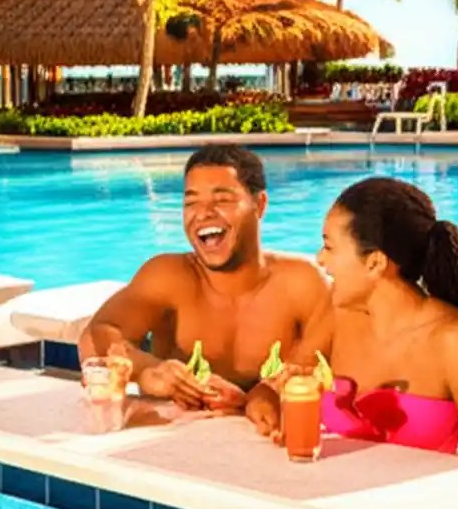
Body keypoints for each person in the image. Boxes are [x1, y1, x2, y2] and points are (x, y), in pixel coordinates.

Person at [246, 176, 458, 469]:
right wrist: (268, 403)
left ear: (375, 262)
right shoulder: (338, 316)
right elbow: (271, 386)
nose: (320, 259)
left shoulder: (454, 340)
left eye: (329, 246)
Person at [77, 145, 333, 413]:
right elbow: (98, 334)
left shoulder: (301, 284)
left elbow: (328, 378)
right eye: (191, 203)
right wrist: (147, 370)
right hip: (171, 442)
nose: (203, 213)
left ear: (259, 205)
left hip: (272, 445)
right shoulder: (169, 277)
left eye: (222, 200)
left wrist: (249, 402)